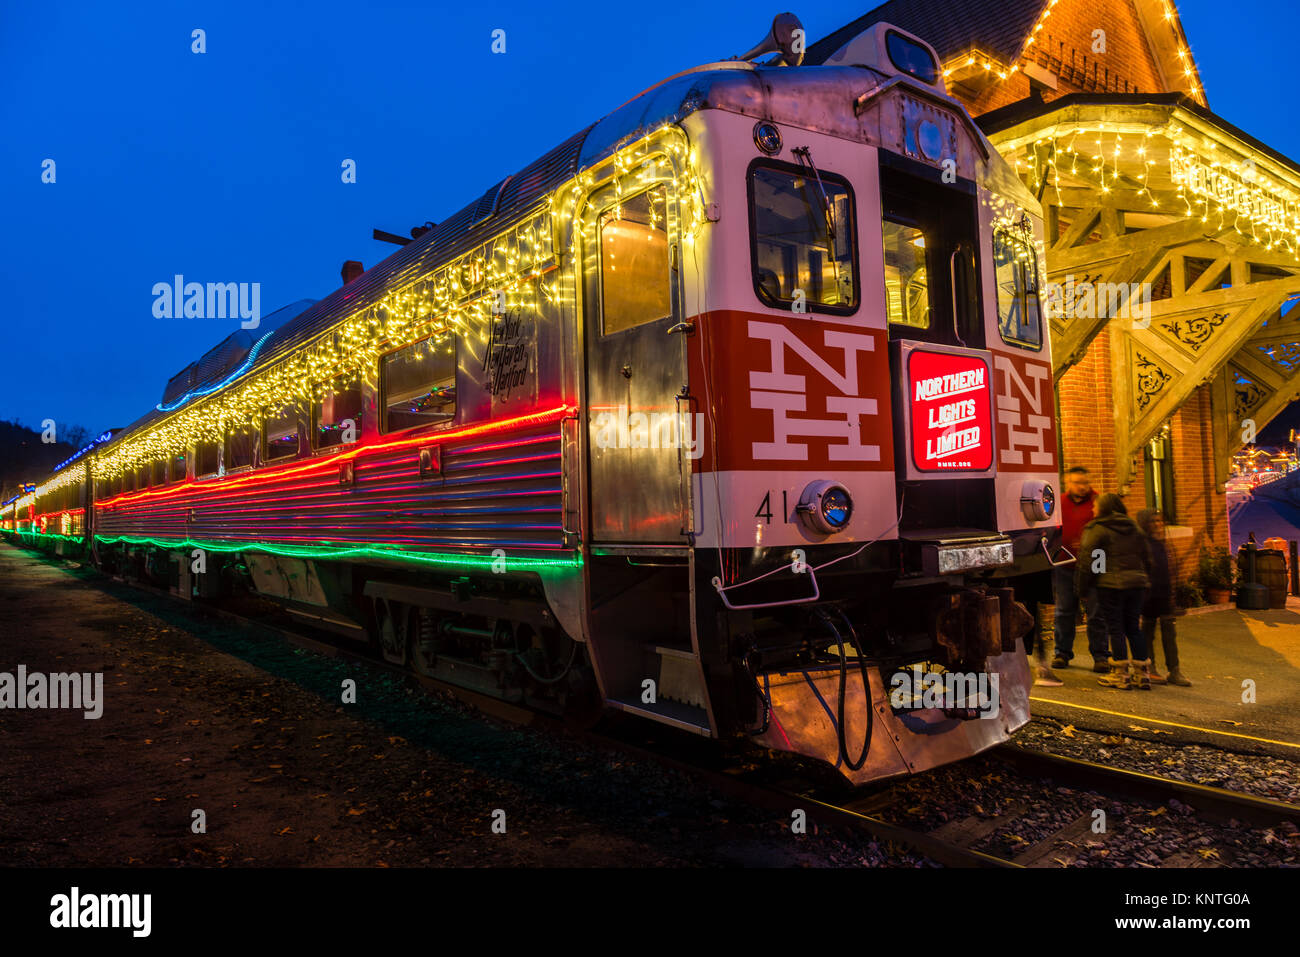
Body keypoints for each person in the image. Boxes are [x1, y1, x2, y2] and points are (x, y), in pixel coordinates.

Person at [1078, 494, 1152, 690]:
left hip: (1111, 586)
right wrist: (1145, 579)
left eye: (1095, 506)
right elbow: (1147, 557)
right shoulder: (1134, 527)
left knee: (1116, 628)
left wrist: (1086, 587)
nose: (1092, 509)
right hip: (1137, 584)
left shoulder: (1098, 529)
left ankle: (1121, 674)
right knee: (1133, 627)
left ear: (1104, 509)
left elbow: (1094, 561)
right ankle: (1142, 673)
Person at [1052, 467, 1108, 672]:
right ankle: (1062, 653)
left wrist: (1100, 567)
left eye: (1085, 483)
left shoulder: (1099, 502)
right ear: (1068, 482)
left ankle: (1101, 656)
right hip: (1065, 565)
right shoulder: (1059, 502)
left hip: (1094, 563)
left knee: (1096, 612)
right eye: (1077, 483)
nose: (1082, 487)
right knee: (1064, 611)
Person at [1135, 509, 1192, 687]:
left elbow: (1169, 570)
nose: (1158, 525)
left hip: (1165, 594)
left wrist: (1173, 594)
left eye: (1160, 521)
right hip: (1150, 596)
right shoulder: (1143, 544)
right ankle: (1149, 668)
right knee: (1148, 633)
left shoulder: (1162, 543)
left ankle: (1174, 670)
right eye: (1154, 522)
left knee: (1169, 634)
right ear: (1145, 524)